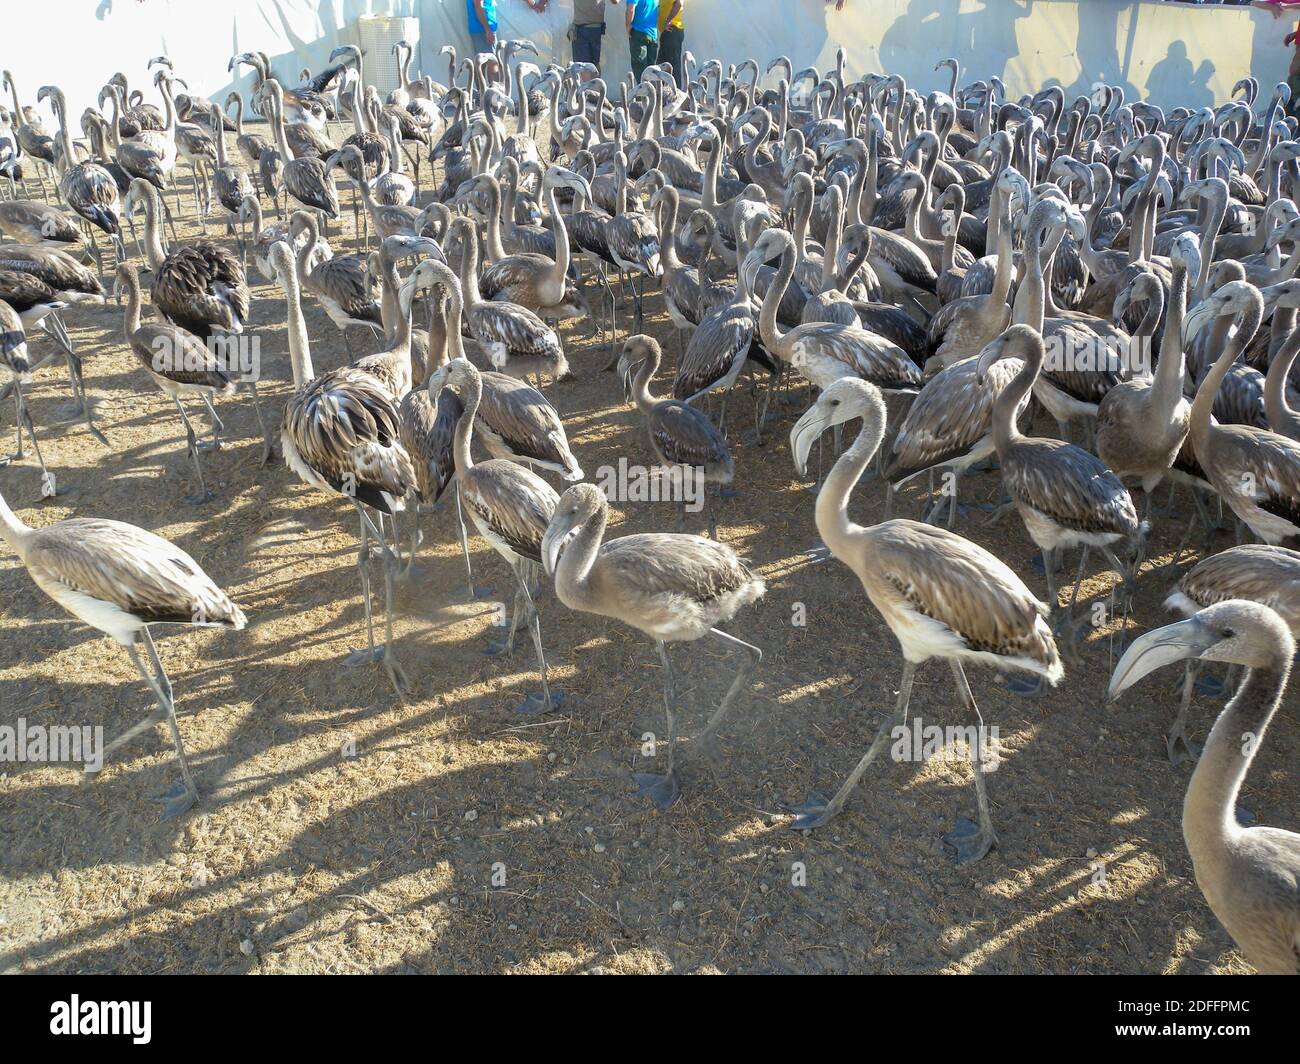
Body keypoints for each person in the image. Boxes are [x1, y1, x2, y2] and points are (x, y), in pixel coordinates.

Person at [572, 0, 611, 71]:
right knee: (595, 63)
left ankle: (589, 81)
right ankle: (596, 81)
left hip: (581, 27)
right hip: (596, 27)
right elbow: (615, 1)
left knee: (583, 66)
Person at [627, 0, 659, 82]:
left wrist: (628, 25)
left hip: (638, 33)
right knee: (651, 69)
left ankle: (642, 94)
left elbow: (631, 9)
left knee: (640, 68)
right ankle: (652, 93)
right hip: (653, 35)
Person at [658, 1, 684, 87]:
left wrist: (668, 20)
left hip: (672, 30)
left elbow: (679, 3)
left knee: (673, 67)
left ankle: (677, 96)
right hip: (667, 32)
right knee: (662, 67)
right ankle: (665, 96)